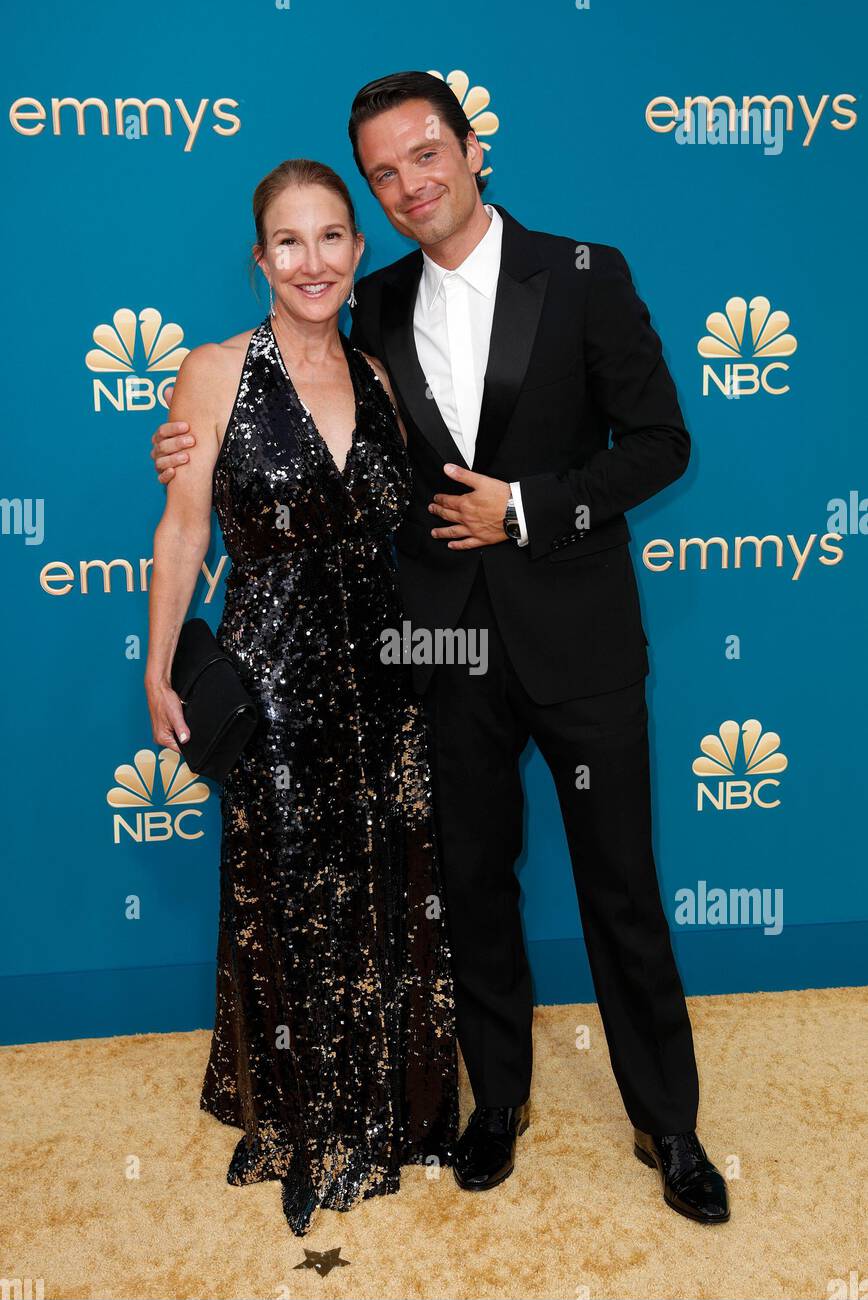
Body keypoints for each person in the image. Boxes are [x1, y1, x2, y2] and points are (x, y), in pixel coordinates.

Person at [152, 72, 730, 1224]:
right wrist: (188, 439)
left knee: (621, 889)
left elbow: (661, 444)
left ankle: (669, 1125)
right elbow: (300, 423)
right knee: (468, 888)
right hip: (437, 654)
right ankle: (495, 1106)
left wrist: (526, 507)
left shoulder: (584, 273)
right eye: (383, 170)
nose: (411, 182)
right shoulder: (366, 305)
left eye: (426, 154)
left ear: (472, 151)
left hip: (580, 640)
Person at [144, 158, 458, 1237]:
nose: (312, 259)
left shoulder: (381, 379)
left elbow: (417, 523)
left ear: (358, 252)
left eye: (332, 237)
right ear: (259, 258)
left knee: (392, 883)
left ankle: (399, 1111)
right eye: (290, 241)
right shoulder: (215, 371)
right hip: (272, 680)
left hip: (385, 681)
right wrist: (155, 665)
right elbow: (185, 528)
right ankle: (296, 1127)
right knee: (284, 898)